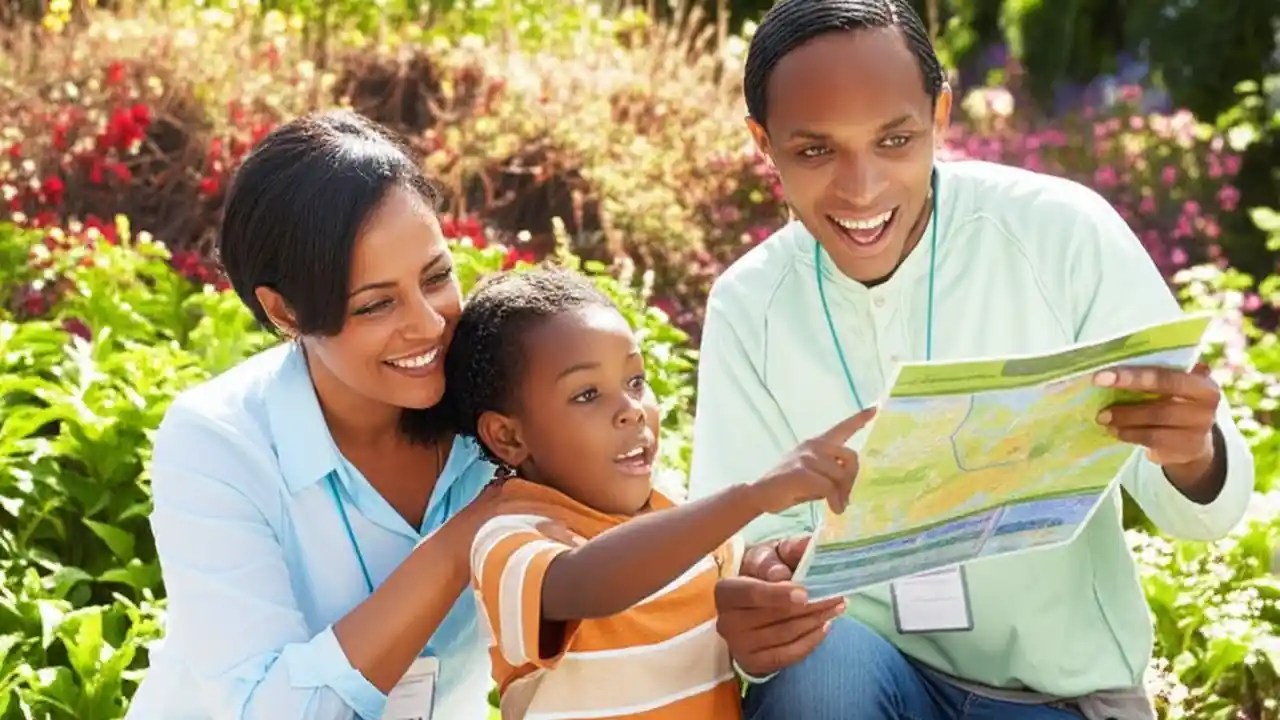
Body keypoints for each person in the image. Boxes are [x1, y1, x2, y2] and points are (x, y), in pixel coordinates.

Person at [687, 1, 1255, 719]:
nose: (861, 189)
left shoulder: (1062, 235)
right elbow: (744, 540)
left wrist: (1191, 452)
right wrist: (761, 581)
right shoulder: (751, 303)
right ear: (762, 144)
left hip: (1064, 697)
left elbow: (1205, 517)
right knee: (820, 672)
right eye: (814, 151)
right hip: (861, 671)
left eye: (895, 140)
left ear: (941, 115)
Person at [127, 110, 505, 720]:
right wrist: (462, 540)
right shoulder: (219, 441)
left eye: (436, 277)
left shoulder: (500, 406)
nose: (430, 323)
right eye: (377, 304)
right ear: (285, 312)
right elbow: (265, 711)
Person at [442, 268, 874, 719]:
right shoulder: (509, 541)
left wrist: (776, 576)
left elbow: (722, 646)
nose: (631, 410)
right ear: (508, 437)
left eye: (635, 381)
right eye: (587, 394)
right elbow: (589, 584)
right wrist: (752, 497)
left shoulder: (678, 515)